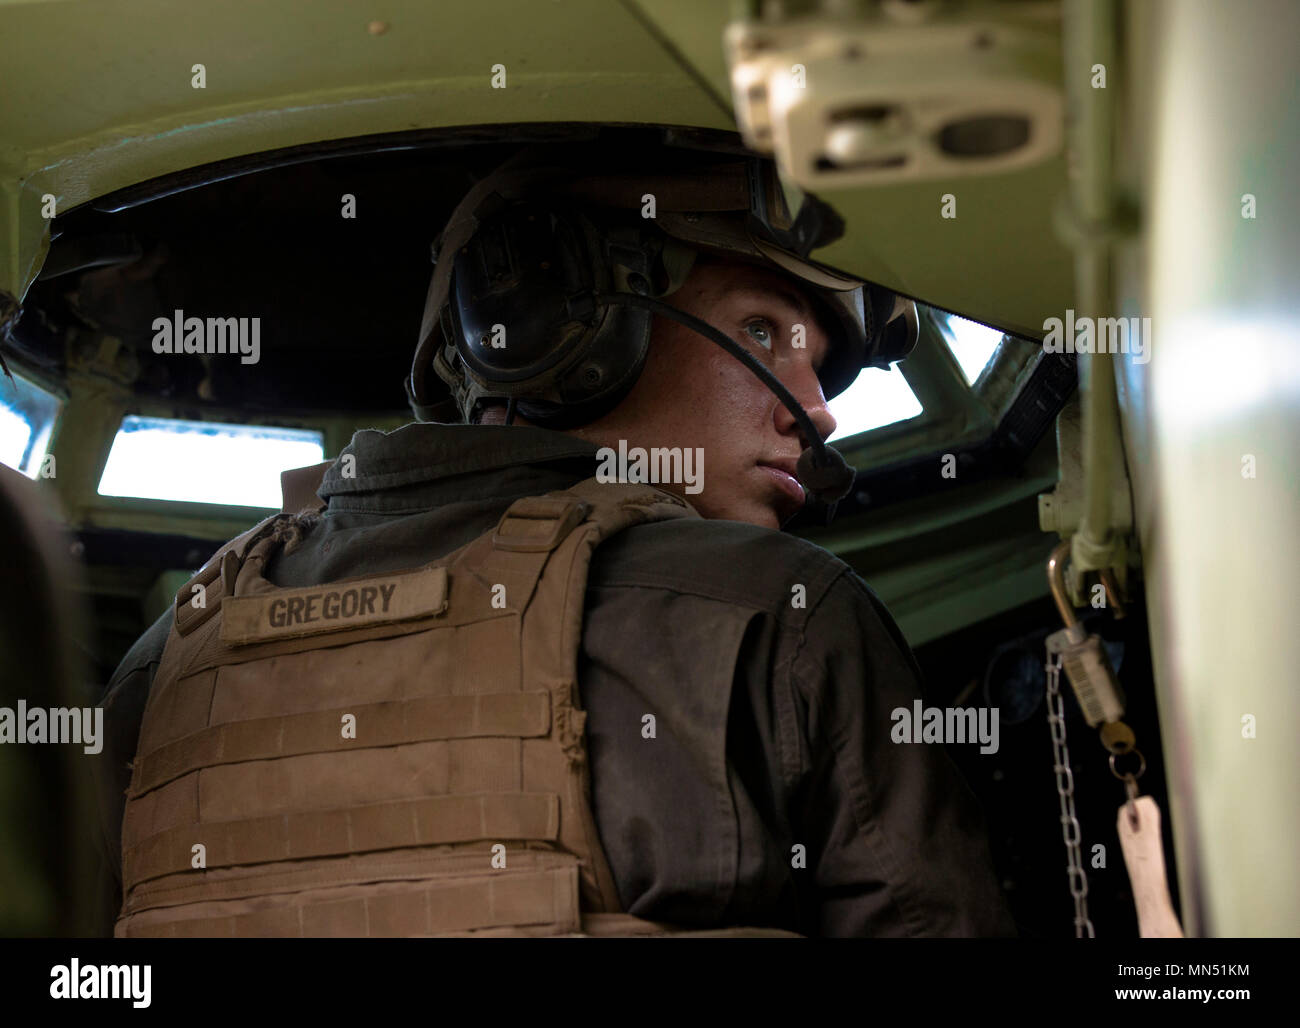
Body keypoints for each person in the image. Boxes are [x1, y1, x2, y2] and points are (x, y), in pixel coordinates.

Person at [95, 142, 1015, 937]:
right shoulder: (789, 615)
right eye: (763, 331)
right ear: (547, 323)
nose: (816, 413)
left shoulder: (168, 660)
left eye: (817, 368)